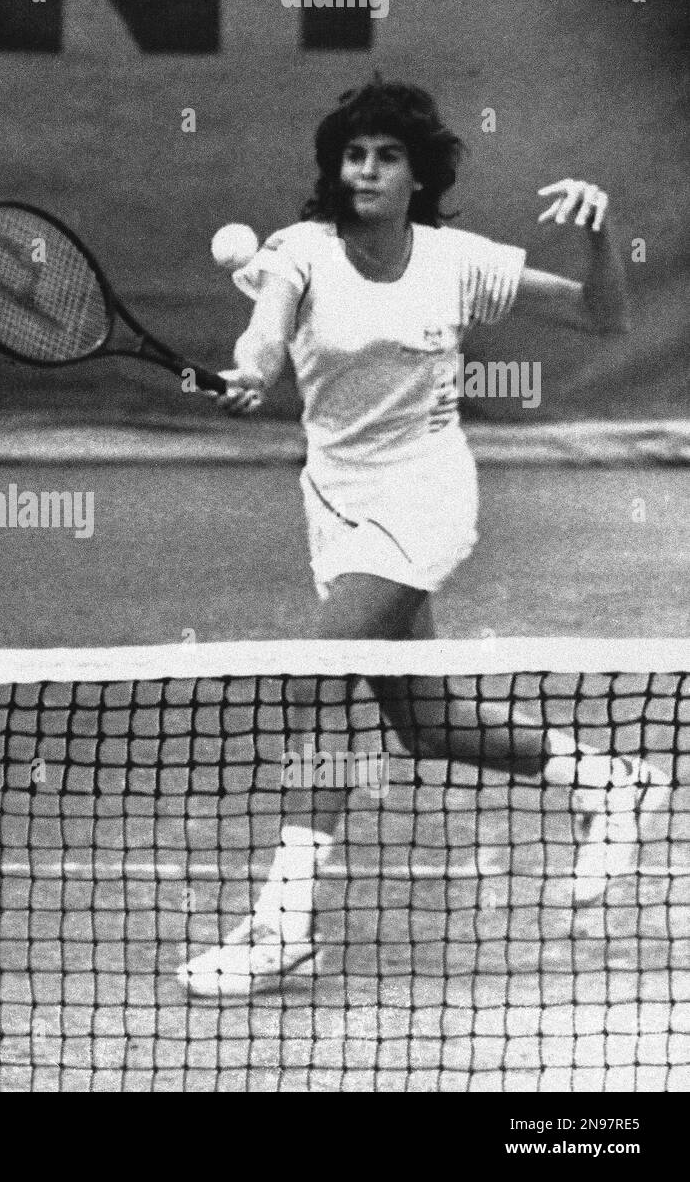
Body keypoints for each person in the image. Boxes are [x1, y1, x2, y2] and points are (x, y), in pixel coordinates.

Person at [177, 79, 671, 999]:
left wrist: (602, 234)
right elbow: (264, 340)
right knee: (427, 722)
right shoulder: (301, 254)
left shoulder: (455, 263)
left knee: (312, 679)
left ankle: (287, 924)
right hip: (336, 500)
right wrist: (249, 371)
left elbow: (603, 316)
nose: (365, 169)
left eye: (386, 155)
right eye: (353, 154)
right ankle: (614, 782)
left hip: (428, 495)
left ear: (417, 174)